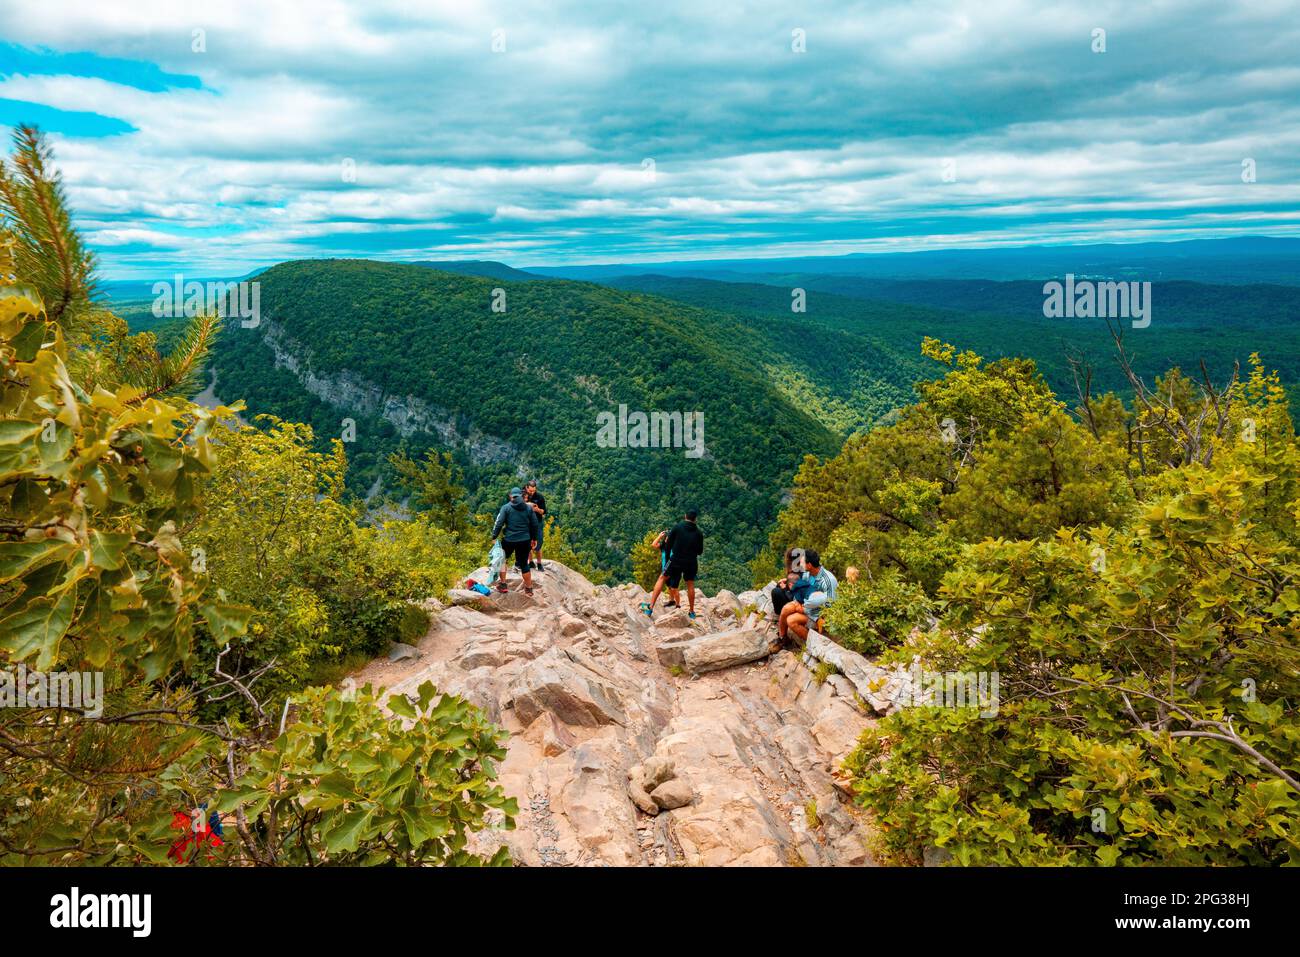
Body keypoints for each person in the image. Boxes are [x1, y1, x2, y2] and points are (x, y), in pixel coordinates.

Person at [641, 509, 704, 620]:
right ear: (695, 519)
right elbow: (700, 551)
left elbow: (668, 545)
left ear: (685, 516)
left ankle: (650, 608)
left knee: (662, 577)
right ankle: (692, 612)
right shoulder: (698, 533)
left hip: (676, 560)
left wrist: (669, 559)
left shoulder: (677, 527)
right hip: (691, 561)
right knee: (690, 584)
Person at [780, 549, 838, 645]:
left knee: (791, 620)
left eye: (802, 562)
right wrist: (798, 603)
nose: (799, 564)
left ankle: (815, 645)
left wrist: (804, 610)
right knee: (786, 609)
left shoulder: (828, 580)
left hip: (819, 615)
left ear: (809, 565)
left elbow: (831, 605)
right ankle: (783, 638)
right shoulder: (807, 574)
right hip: (807, 606)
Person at [491, 486, 540, 596]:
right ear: (522, 495)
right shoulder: (528, 508)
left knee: (502, 560)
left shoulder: (506, 507)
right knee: (524, 564)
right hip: (525, 540)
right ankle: (529, 589)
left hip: (509, 539)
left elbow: (499, 523)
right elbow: (534, 524)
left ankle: (503, 585)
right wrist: (534, 539)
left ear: (510, 496)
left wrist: (494, 536)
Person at [523, 479, 547, 571]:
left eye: (534, 490)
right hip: (526, 523)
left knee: (538, 544)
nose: (532, 492)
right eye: (530, 490)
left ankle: (539, 563)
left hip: (537, 523)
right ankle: (531, 562)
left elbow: (544, 512)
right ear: (526, 488)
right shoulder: (523, 495)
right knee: (527, 543)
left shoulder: (539, 497)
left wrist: (537, 509)